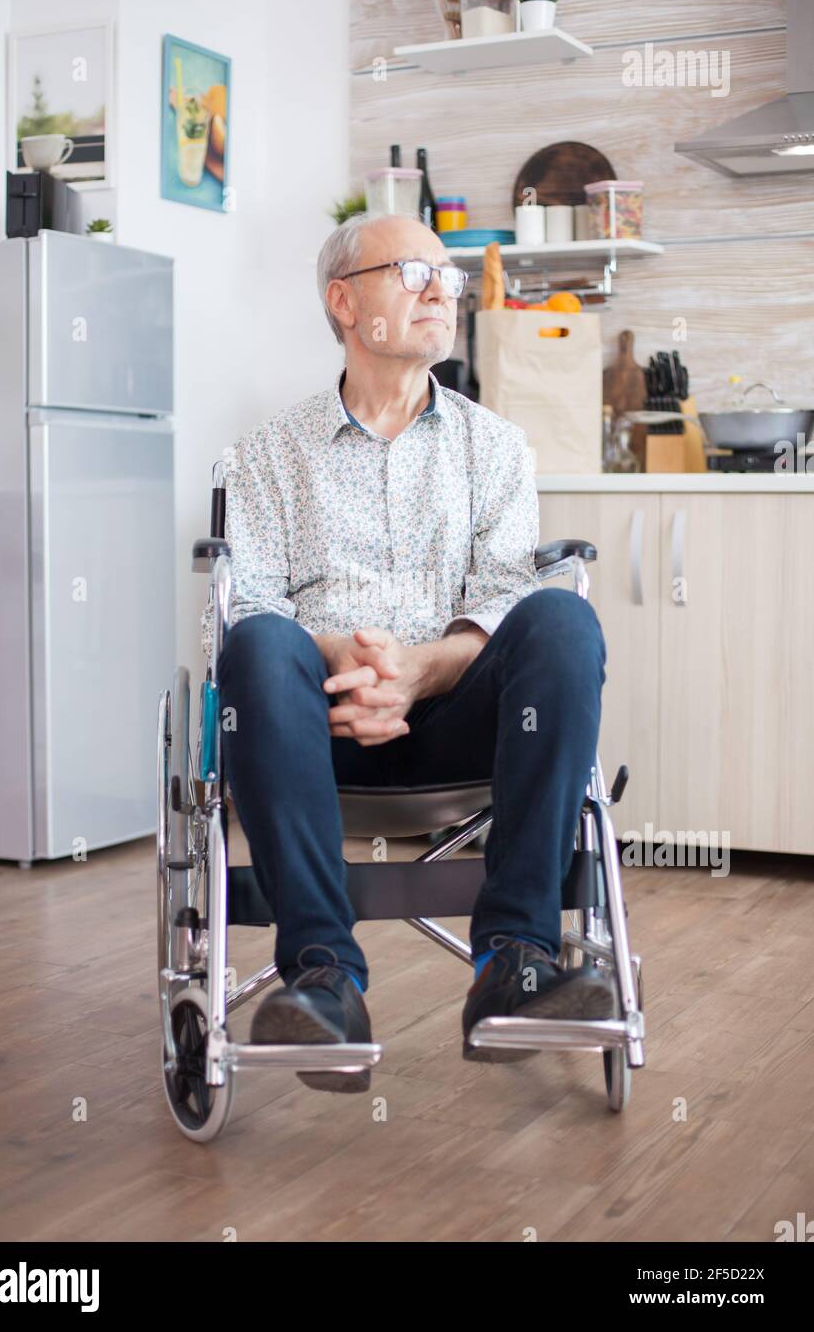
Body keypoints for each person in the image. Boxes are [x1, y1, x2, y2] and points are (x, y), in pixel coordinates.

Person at [204, 212, 611, 1093]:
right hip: (315, 723)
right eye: (413, 272)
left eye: (448, 278)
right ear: (344, 302)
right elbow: (257, 608)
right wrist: (349, 661)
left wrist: (418, 667)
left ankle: (518, 961)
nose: (441, 291)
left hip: (462, 721)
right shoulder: (265, 456)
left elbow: (499, 600)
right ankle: (321, 977)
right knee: (256, 638)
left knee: (559, 618)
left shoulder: (495, 448)